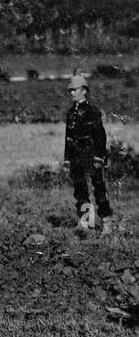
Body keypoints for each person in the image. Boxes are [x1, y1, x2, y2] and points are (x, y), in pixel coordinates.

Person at [63, 72, 113, 235]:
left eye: (75, 90)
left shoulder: (92, 111)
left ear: (84, 90)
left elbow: (100, 136)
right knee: (80, 189)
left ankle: (106, 223)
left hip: (91, 154)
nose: (72, 93)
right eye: (70, 90)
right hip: (76, 156)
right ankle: (86, 222)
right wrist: (67, 159)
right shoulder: (71, 113)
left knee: (98, 188)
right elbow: (68, 138)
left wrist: (99, 156)